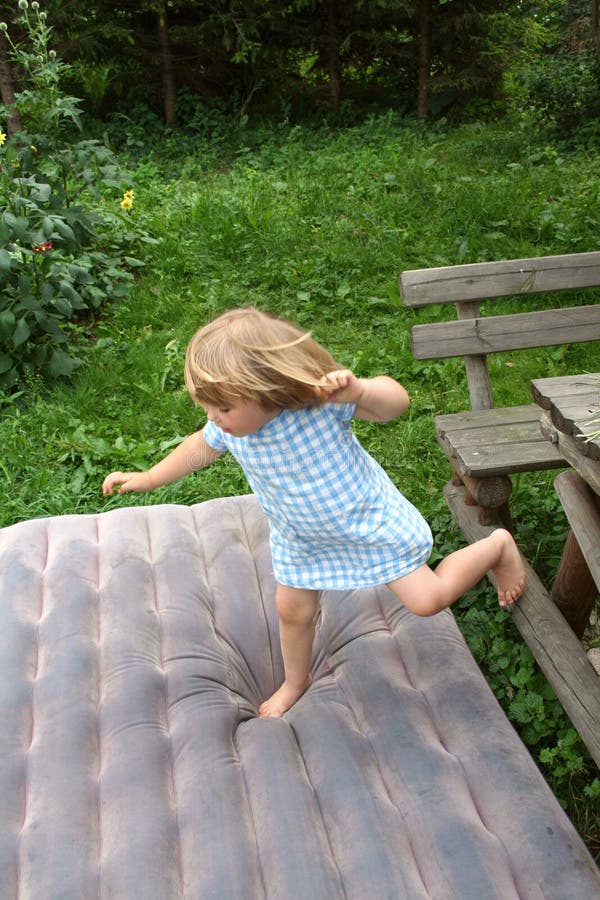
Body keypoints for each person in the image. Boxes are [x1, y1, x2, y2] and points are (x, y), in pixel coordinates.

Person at [102, 307, 525, 718]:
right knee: (293, 611)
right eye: (207, 408)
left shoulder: (319, 402)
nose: (214, 418)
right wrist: (151, 477)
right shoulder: (230, 428)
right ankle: (295, 681)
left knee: (428, 600)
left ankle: (496, 548)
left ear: (266, 387)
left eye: (223, 408)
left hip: (365, 523)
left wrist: (360, 391)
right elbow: (198, 447)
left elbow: (396, 404)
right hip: (300, 537)